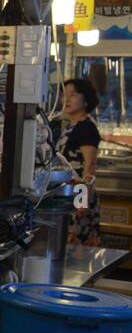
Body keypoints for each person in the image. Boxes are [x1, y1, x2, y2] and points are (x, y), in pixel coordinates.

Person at [60, 78, 102, 246]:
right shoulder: (72, 125)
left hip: (79, 194)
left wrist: (82, 201)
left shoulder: (86, 127)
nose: (67, 99)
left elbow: (90, 164)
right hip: (69, 193)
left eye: (73, 95)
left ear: (86, 100)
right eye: (64, 95)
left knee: (77, 250)